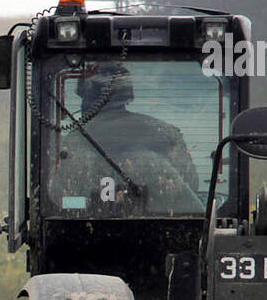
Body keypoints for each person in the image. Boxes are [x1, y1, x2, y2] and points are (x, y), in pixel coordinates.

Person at [63, 64, 202, 211]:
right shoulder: (165, 132)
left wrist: (85, 204)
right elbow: (191, 184)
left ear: (89, 100)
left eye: (84, 98)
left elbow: (61, 199)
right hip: (164, 220)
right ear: (128, 95)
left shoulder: (76, 141)